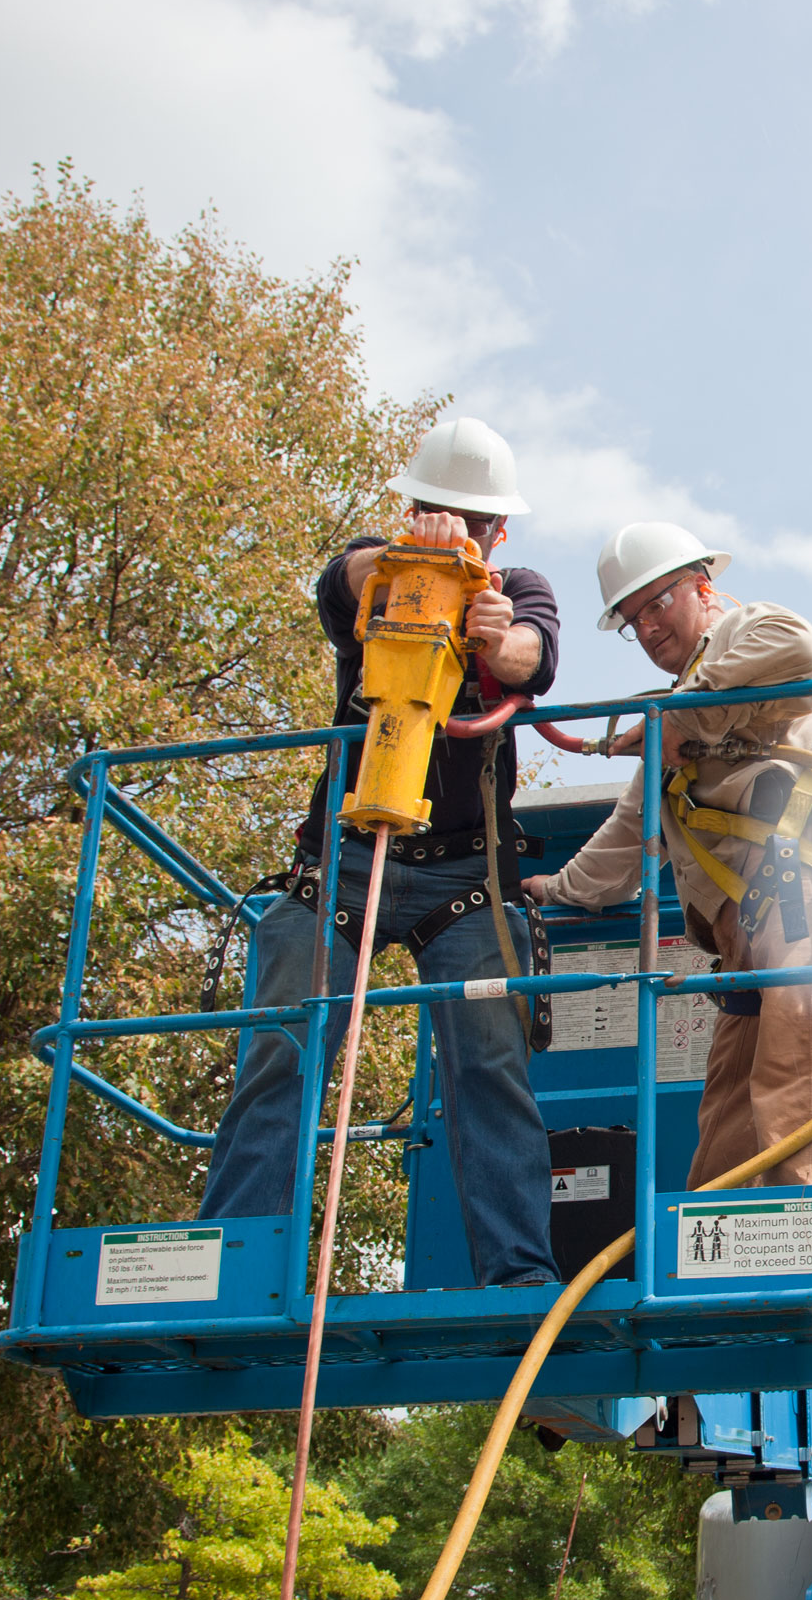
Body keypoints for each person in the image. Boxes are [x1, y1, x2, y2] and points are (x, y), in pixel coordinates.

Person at [202, 414, 563, 1289]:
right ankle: (229, 1262)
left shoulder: (518, 588)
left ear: (502, 532)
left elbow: (532, 660)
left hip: (465, 879)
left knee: (490, 1066)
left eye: (476, 523)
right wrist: (416, 563)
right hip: (342, 865)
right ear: (410, 508)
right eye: (440, 512)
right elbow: (342, 579)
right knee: (282, 1047)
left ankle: (517, 1273)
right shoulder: (376, 571)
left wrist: (489, 626)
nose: (461, 533)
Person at [524, 522, 812, 1188]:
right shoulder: (678, 705)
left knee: (806, 1087)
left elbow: (800, 647)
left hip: (804, 891)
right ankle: (720, 1270)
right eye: (633, 621)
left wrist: (684, 718)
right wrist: (559, 890)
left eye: (658, 604)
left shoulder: (745, 633)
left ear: (703, 586)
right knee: (729, 1122)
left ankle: (811, 1256)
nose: (649, 629)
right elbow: (632, 829)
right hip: (749, 933)